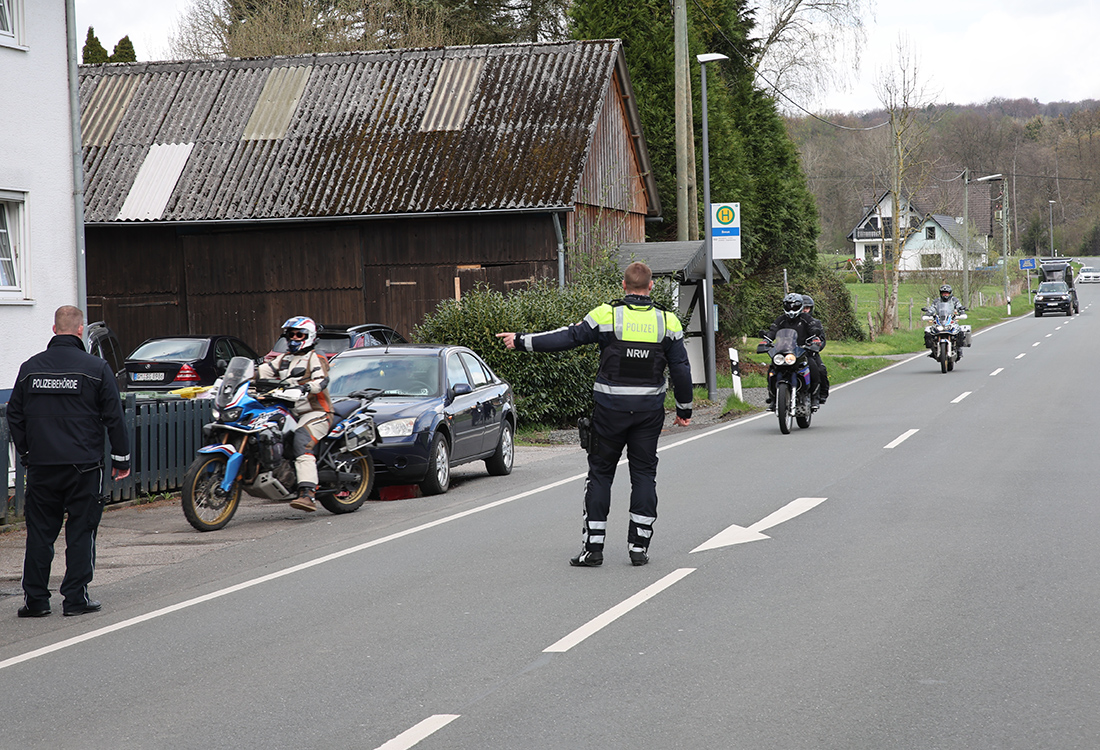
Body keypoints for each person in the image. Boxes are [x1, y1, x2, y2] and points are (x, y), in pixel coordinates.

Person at [496, 262, 692, 567]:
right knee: (643, 475)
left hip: (609, 413)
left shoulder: (607, 314)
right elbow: (681, 368)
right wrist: (684, 408)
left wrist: (523, 340)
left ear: (624, 287)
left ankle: (594, 549)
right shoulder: (668, 321)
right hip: (648, 414)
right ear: (651, 287)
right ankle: (638, 548)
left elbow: (568, 337)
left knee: (601, 474)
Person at [7, 306, 131, 618]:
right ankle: (75, 598)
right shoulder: (96, 367)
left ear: (53, 329)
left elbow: (15, 415)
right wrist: (121, 458)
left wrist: (26, 454)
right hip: (84, 466)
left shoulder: (30, 368)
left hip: (42, 466)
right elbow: (114, 416)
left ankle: (35, 601)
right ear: (80, 330)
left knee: (39, 533)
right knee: (81, 531)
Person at [256, 316, 334, 512]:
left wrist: (309, 386)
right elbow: (261, 372)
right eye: (291, 334)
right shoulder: (283, 359)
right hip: (289, 410)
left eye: (299, 335)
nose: (294, 338)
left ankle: (308, 494)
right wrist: (232, 376)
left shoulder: (317, 357)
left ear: (309, 336)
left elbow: (321, 380)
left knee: (301, 441)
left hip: (315, 411)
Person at [762, 292, 824, 410]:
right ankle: (774, 398)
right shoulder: (781, 319)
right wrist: (766, 341)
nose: (791, 309)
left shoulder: (806, 318)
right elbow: (773, 331)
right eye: (788, 306)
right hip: (784, 351)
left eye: (795, 306)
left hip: (802, 351)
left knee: (814, 367)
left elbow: (812, 328)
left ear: (800, 307)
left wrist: (815, 340)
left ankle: (815, 397)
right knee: (772, 370)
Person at [800, 295, 829, 405]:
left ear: (811, 309)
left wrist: (817, 345)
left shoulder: (815, 323)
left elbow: (821, 339)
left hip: (810, 352)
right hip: (793, 353)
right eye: (803, 308)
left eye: (807, 308)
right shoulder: (791, 322)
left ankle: (819, 395)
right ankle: (775, 396)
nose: (805, 310)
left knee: (820, 370)